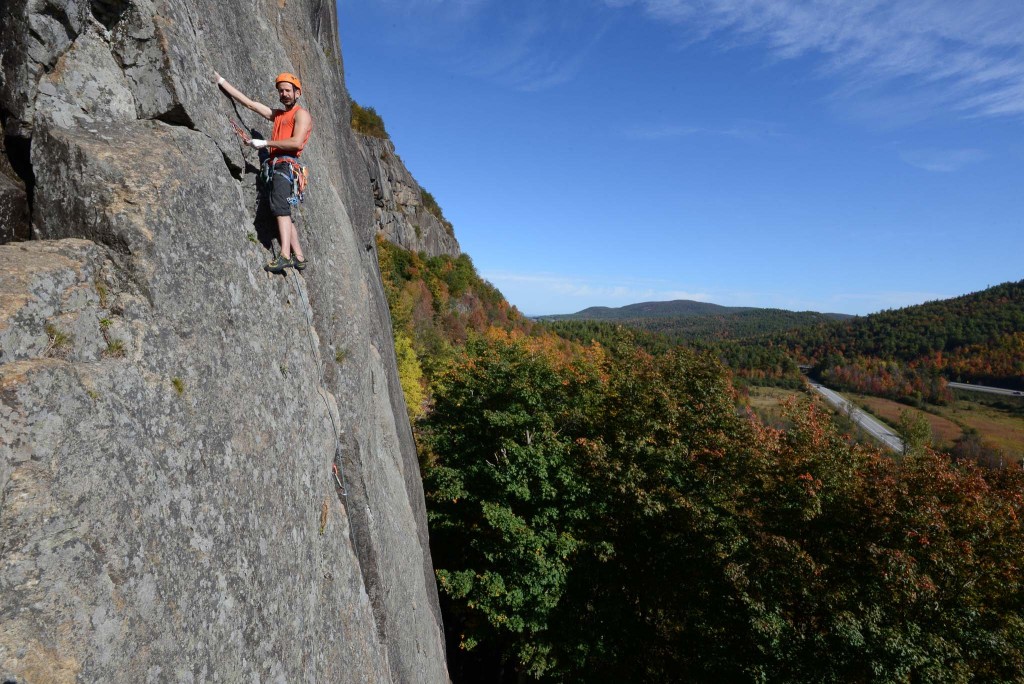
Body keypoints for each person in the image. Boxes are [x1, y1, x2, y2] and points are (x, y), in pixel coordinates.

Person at [214, 70, 312, 273]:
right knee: (283, 207)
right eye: (281, 91)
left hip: (286, 166)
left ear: (297, 93)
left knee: (280, 208)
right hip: (277, 165)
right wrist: (221, 81)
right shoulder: (278, 115)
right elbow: (250, 104)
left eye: (288, 90)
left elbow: (296, 142)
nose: (284, 94)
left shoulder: (301, 114)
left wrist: (265, 143)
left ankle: (285, 256)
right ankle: (299, 256)